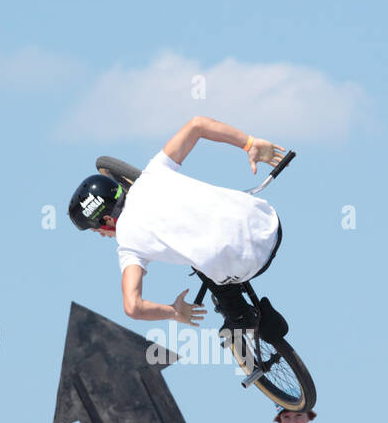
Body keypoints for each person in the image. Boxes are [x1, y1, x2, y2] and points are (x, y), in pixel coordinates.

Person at [67, 116, 288, 332]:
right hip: (269, 223)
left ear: (106, 219)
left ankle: (242, 316)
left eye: (97, 230)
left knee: (198, 258)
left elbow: (132, 307)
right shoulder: (154, 172)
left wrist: (174, 312)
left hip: (249, 265)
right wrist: (248, 143)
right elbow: (198, 125)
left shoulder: (128, 246)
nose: (102, 235)